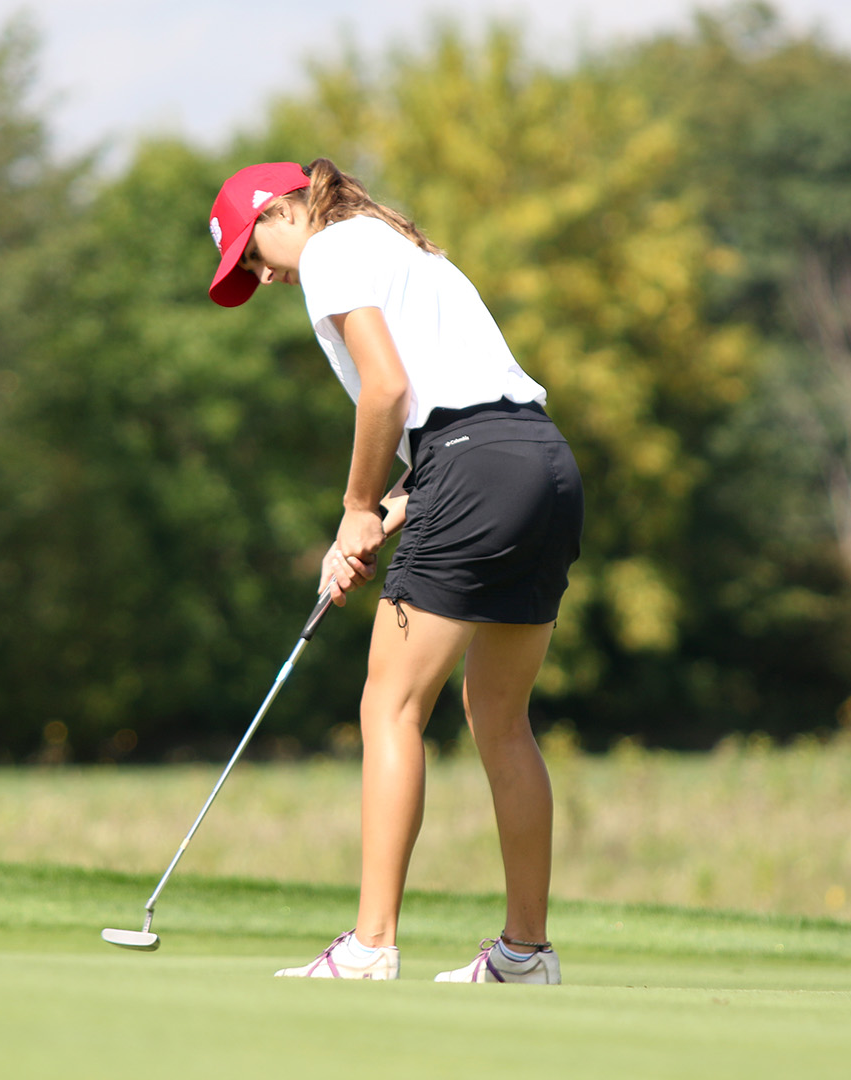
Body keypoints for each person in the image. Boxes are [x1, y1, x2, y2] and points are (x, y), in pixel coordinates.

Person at [206, 159, 584, 983]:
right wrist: (386, 517)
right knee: (499, 718)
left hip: (474, 466)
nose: (261, 275)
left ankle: (370, 944)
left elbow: (387, 391)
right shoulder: (407, 250)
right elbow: (468, 420)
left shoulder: (332, 251)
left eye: (251, 254)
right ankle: (526, 954)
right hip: (542, 465)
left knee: (391, 705)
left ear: (282, 210)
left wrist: (353, 508)